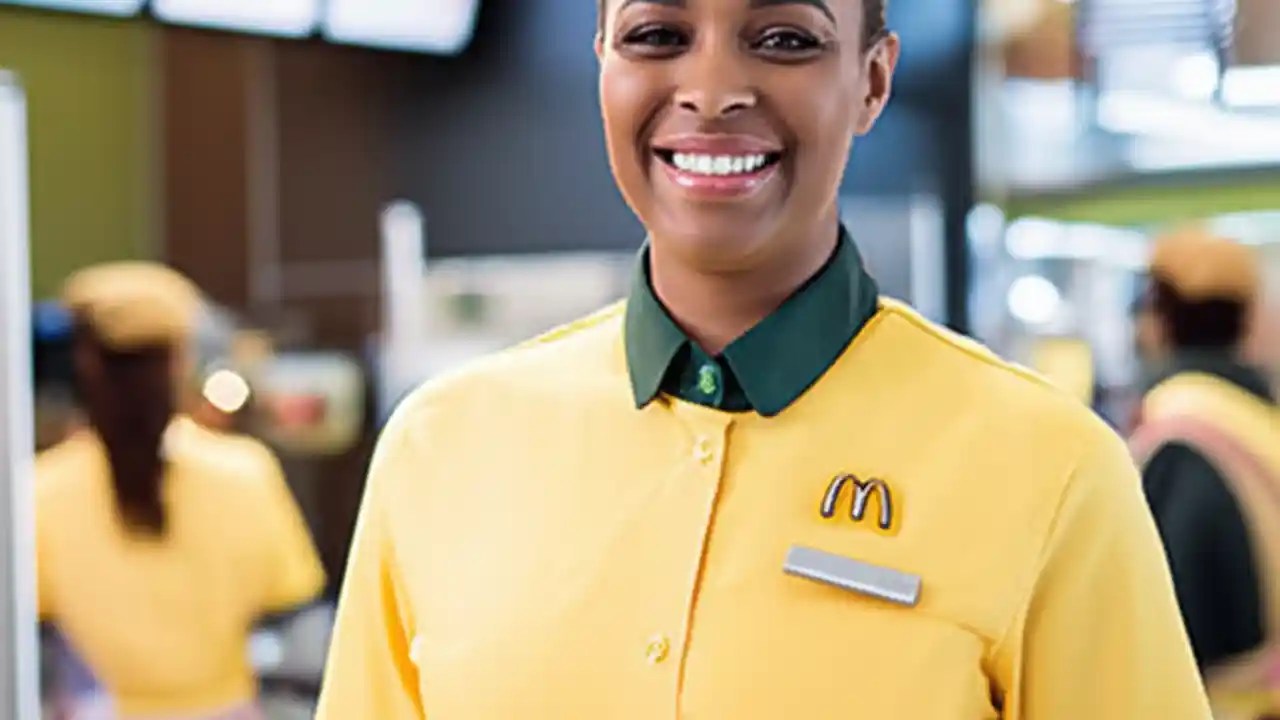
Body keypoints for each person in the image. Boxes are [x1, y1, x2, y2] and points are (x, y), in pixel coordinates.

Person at [317, 0, 1209, 717]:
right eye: (657, 35)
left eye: (785, 38)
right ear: (602, 65)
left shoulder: (1050, 467)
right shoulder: (442, 446)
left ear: (872, 81)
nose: (711, 91)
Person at [36, 262, 326, 720]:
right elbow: (294, 610)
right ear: (180, 361)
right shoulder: (245, 472)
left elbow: (36, 635)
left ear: (85, 362)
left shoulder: (40, 490)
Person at [1129, 227, 1280, 718]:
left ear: (1157, 322)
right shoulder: (1259, 422)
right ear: (1248, 320)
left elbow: (1166, 627)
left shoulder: (1179, 440)